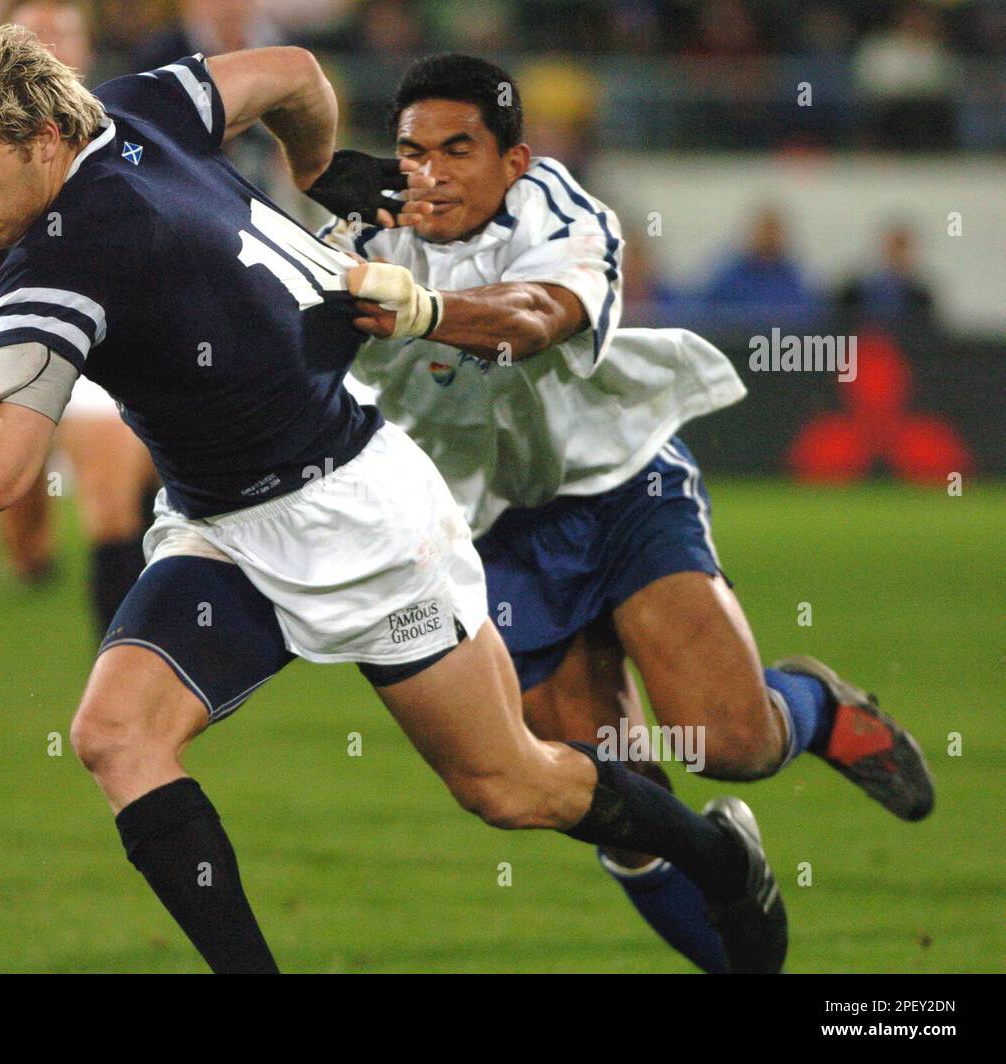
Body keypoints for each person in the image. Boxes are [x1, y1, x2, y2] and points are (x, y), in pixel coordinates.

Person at [0, 26, 787, 973]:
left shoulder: (60, 264)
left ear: (42, 143)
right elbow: (295, 73)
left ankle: (713, 851)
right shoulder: (136, 107)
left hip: (362, 514)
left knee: (507, 784)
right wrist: (316, 162)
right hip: (223, 525)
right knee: (116, 737)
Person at [321, 53, 935, 973]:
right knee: (618, 795)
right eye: (413, 152)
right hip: (488, 529)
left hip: (621, 486)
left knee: (729, 742)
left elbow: (533, 317)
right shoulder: (361, 241)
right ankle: (741, 945)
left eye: (460, 149)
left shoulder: (564, 212)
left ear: (514, 160)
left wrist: (422, 309)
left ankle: (817, 707)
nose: (434, 173)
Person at [0, 0, 159, 634]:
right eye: (39, 35)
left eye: (66, 32)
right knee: (33, 549)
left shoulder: (131, 129)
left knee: (113, 508)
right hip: (35, 338)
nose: (55, 45)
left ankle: (119, 689)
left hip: (122, 339)